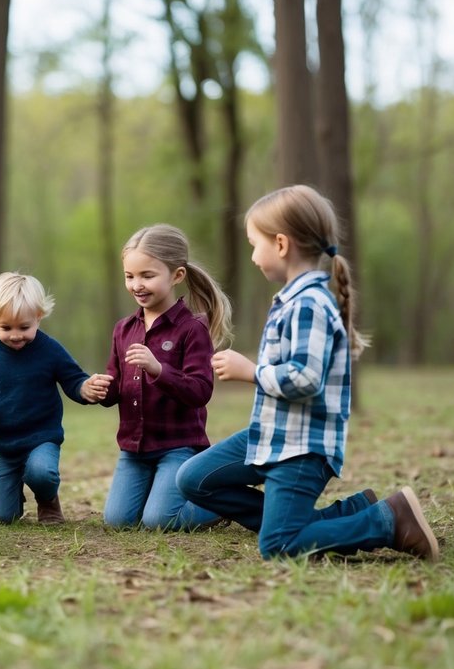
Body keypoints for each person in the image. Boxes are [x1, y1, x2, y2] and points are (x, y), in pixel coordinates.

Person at [177, 185, 439, 561]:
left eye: (255, 244)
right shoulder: (292, 301)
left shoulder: (310, 305)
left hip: (301, 448)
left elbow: (305, 378)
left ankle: (388, 520)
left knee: (278, 546)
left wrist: (252, 371)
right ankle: (341, 516)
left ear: (281, 244)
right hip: (272, 435)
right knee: (194, 479)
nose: (252, 256)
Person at [89, 224, 231, 531]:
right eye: (130, 276)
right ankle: (157, 490)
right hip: (134, 450)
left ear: (177, 275)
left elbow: (200, 390)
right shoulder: (124, 329)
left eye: (147, 276)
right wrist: (101, 389)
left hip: (177, 447)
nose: (137, 284)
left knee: (157, 521)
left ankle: (221, 501)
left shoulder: (191, 329)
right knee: (118, 521)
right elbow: (117, 383)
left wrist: (158, 369)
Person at [0, 272, 106, 524]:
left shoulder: (50, 350)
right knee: (4, 517)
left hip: (42, 438)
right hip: (4, 446)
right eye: (6, 328)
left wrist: (85, 388)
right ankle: (12, 494)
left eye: (24, 327)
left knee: (42, 473)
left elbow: (73, 379)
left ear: (38, 317)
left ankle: (47, 498)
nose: (16, 335)